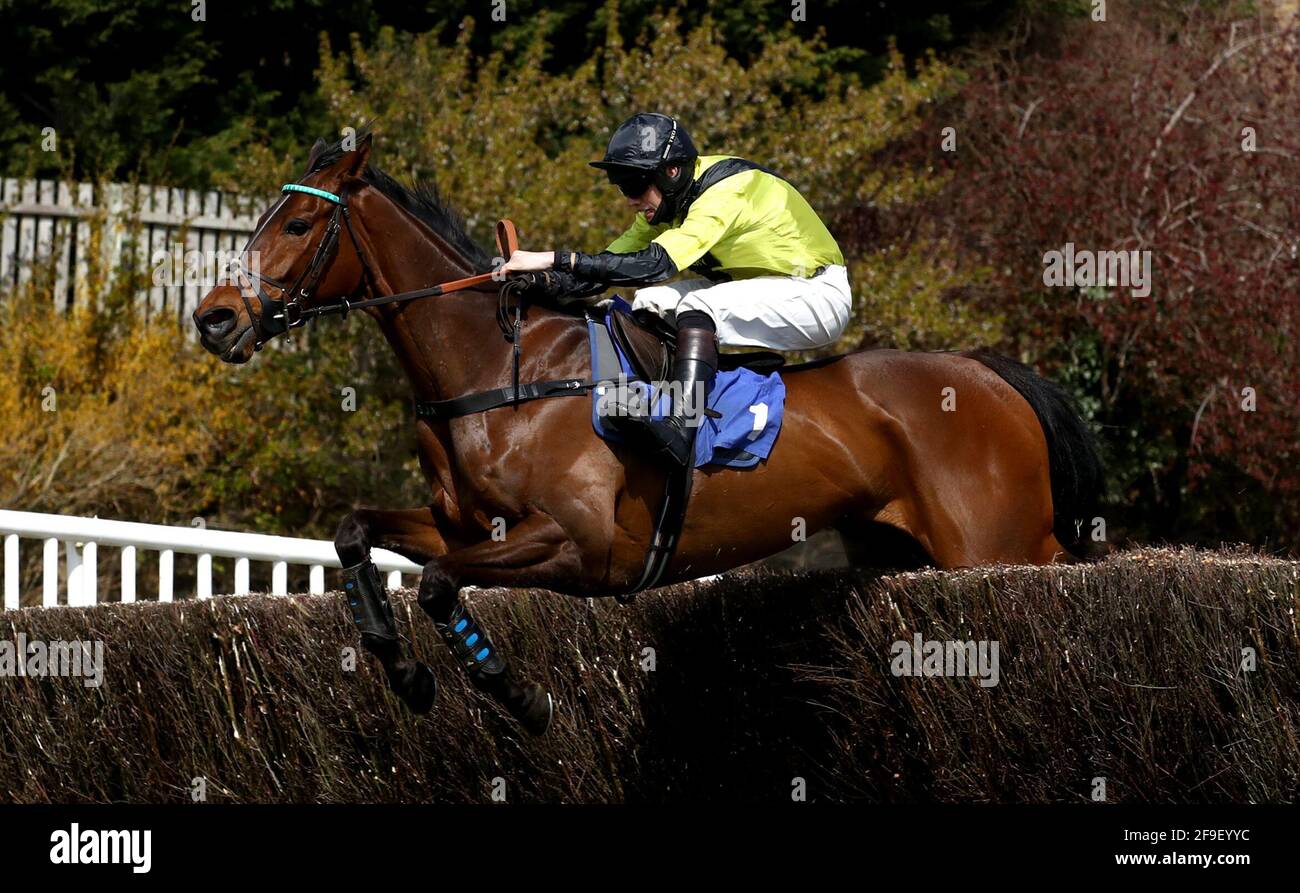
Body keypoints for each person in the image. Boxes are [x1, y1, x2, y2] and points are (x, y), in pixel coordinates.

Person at [499, 112, 851, 466]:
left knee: (697, 305)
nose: (630, 199)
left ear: (672, 172)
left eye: (634, 184)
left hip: (816, 293)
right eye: (622, 186)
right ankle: (653, 400)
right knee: (650, 300)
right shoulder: (669, 203)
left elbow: (656, 265)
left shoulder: (727, 191)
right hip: (762, 286)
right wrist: (542, 282)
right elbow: (607, 266)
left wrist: (554, 258)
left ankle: (682, 428)